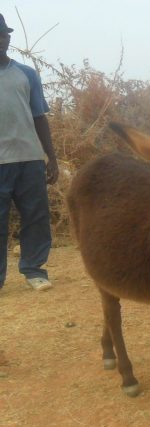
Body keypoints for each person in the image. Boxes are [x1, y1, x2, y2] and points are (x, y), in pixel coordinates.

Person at [0, 13, 58, 292]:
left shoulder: (27, 74)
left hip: (29, 158)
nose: (3, 39)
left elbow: (39, 117)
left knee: (36, 216)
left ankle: (35, 269)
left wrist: (51, 157)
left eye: (5, 34)